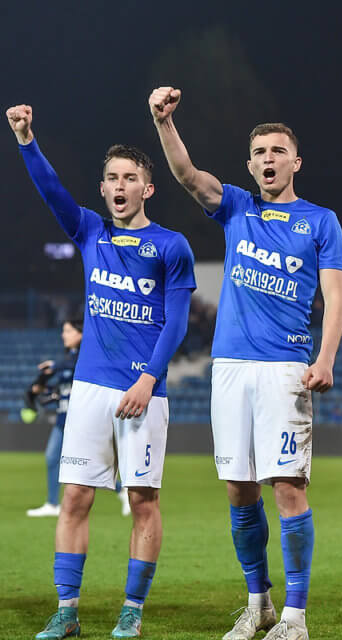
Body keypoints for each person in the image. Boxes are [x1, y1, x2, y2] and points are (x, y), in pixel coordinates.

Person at [150, 86, 342, 640]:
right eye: (259, 152)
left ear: (295, 162)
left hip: (285, 367)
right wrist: (164, 122)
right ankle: (258, 602)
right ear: (250, 163)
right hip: (231, 368)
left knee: (288, 487)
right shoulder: (236, 205)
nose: (268, 159)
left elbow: (335, 297)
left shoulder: (321, 222)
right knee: (239, 488)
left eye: (278, 150)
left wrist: (325, 356)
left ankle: (295, 615)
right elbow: (189, 176)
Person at [7, 104, 196, 640]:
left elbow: (176, 323)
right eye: (112, 177)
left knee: (142, 501)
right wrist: (26, 140)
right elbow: (51, 191)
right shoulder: (89, 232)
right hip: (90, 388)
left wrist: (147, 379)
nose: (119, 185)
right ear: (104, 187)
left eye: (130, 178)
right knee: (74, 498)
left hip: (142, 392)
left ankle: (131, 610)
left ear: (147, 189)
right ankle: (67, 611)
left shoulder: (171, 247)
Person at [26, 318, 131, 518]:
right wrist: (44, 390)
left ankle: (121, 490)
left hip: (81, 420)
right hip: (62, 418)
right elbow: (64, 388)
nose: (63, 335)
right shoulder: (67, 360)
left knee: (87, 466)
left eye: (68, 331)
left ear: (80, 334)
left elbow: (73, 365)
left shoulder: (85, 355)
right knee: (52, 457)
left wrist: (55, 366)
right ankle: (52, 503)